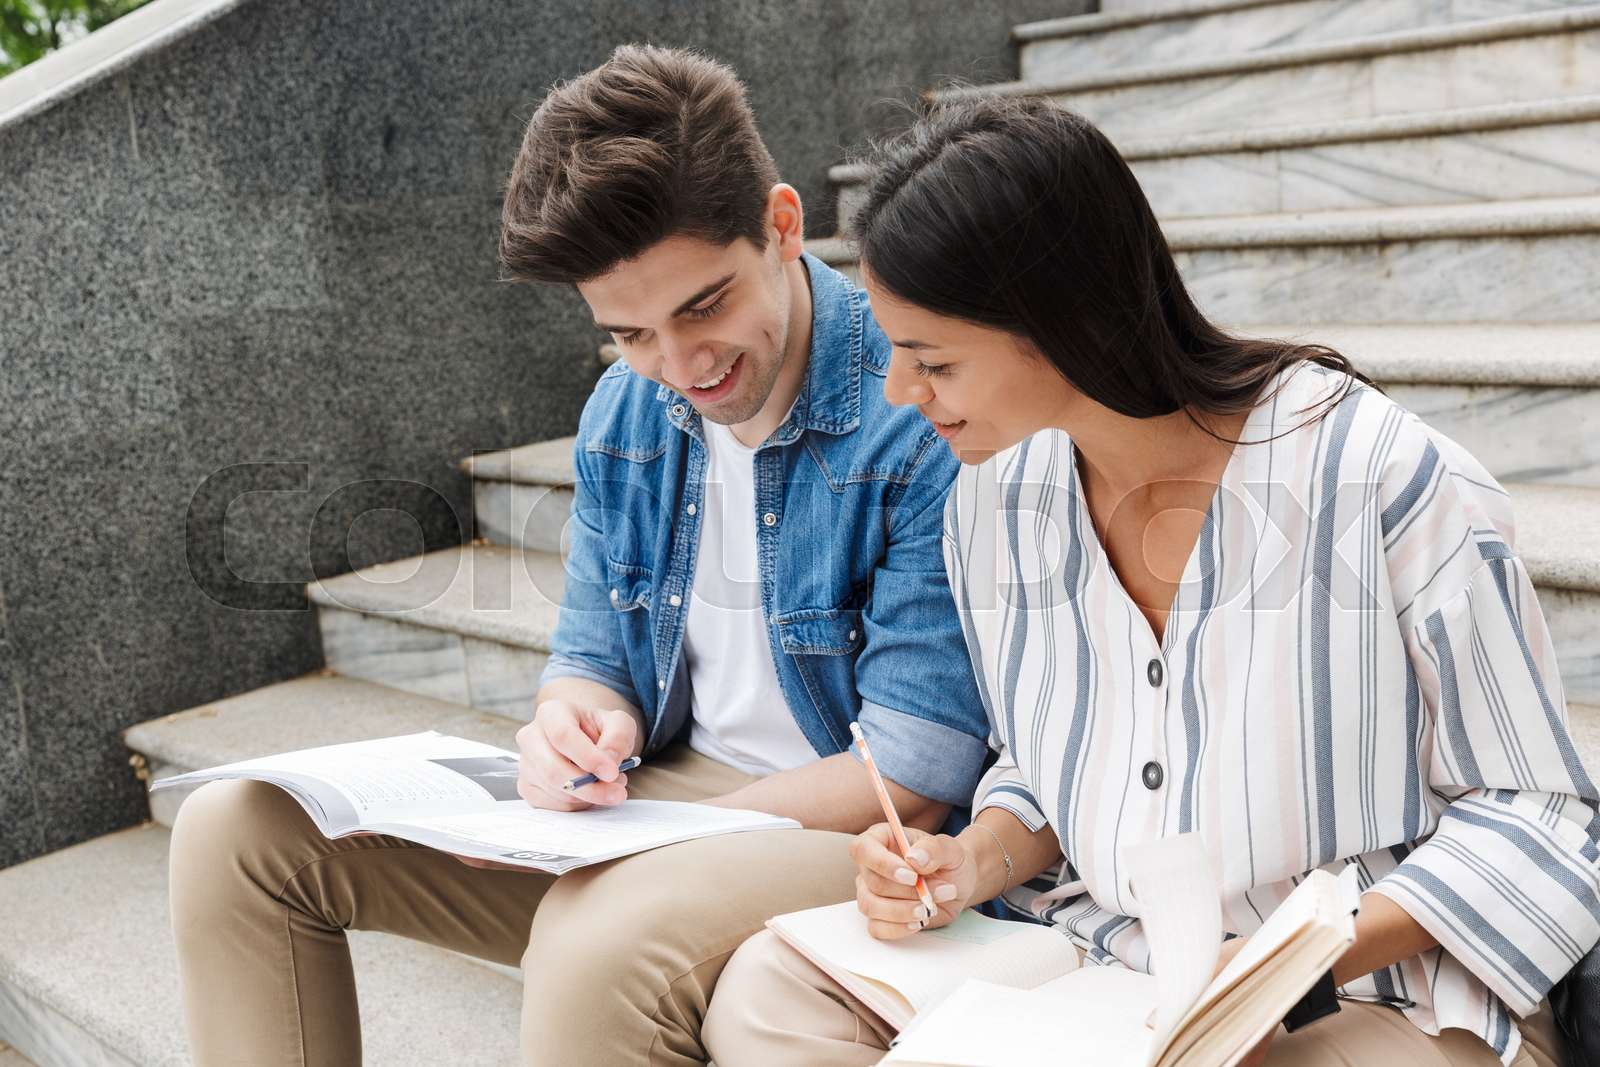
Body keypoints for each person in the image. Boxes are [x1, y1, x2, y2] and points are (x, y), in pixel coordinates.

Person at [702, 97, 1597, 1066]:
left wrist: (1286, 963)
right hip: (1104, 966)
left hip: (1370, 991)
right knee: (768, 995)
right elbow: (1048, 763)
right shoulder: (992, 503)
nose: (899, 394)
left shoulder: (1381, 476)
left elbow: (1534, 807)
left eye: (933, 361)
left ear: (1059, 323)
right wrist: (969, 860)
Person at [165, 45, 990, 1066]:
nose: (681, 367)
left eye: (703, 306)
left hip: (852, 837)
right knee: (238, 831)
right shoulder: (626, 411)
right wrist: (573, 724)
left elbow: (914, 771)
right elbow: (593, 654)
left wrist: (647, 841)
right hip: (668, 807)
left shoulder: (913, 401)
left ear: (782, 224)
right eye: (630, 332)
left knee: (595, 936)